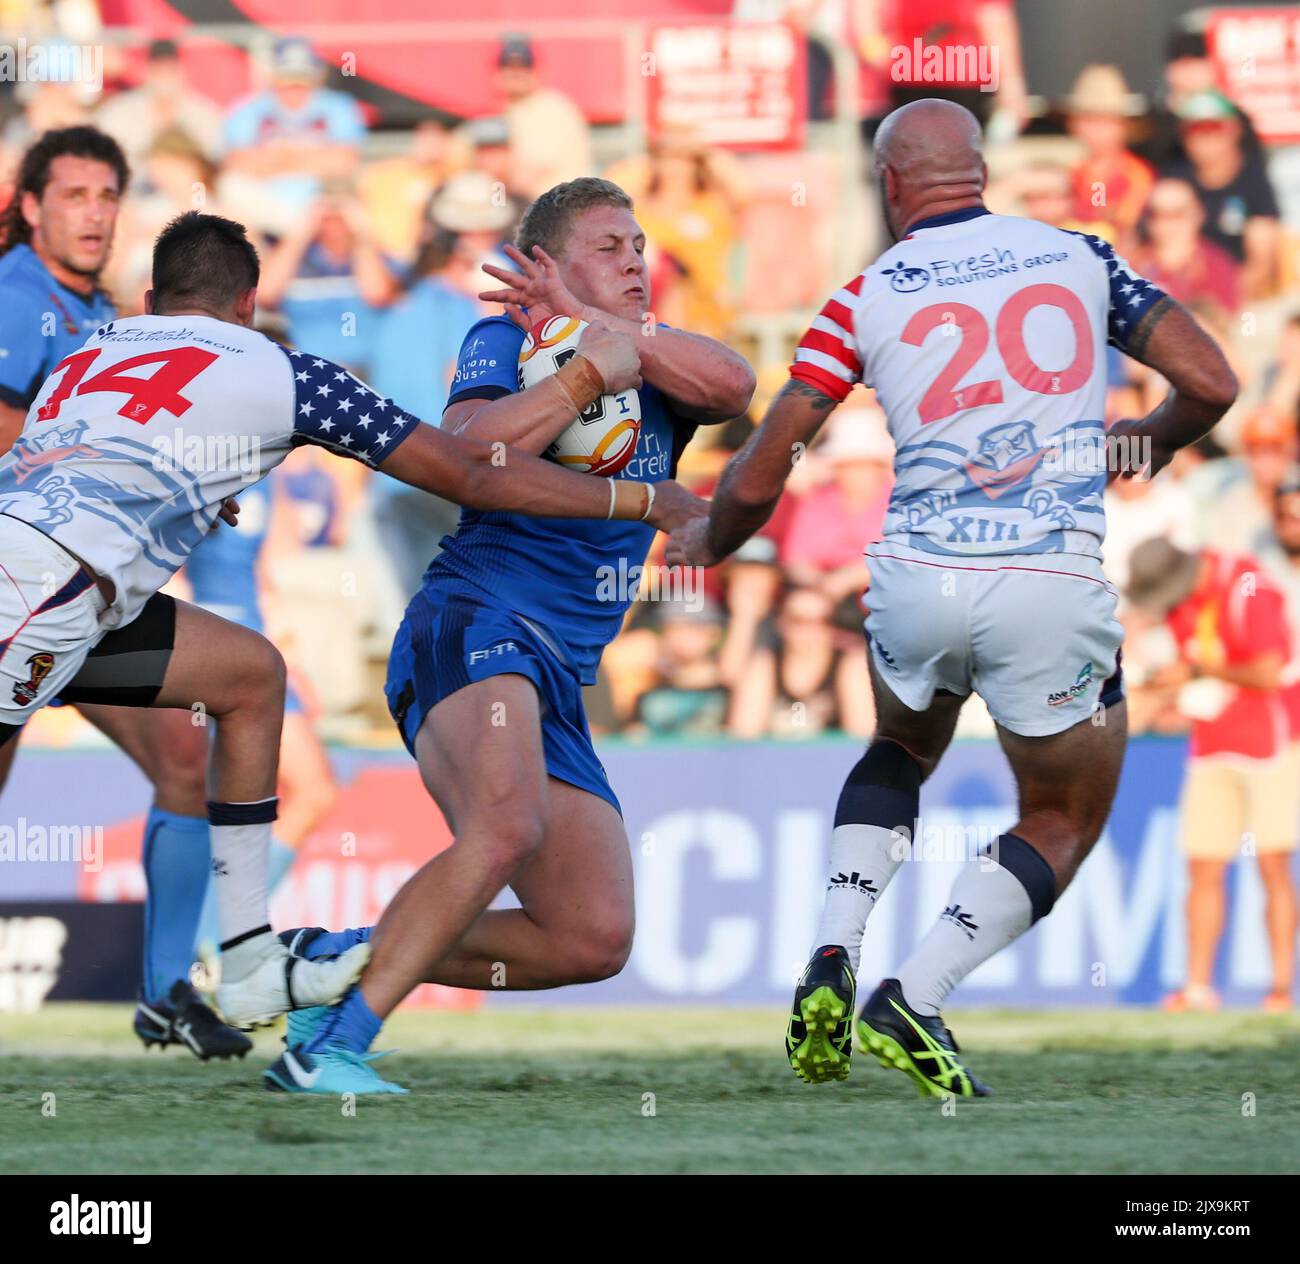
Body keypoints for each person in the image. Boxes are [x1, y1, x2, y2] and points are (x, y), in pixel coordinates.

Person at [0, 208, 702, 1039]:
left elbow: (84, 457)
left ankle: (253, 957)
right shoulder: (287, 372)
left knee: (247, 676)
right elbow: (470, 472)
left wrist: (193, 485)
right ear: (250, 306)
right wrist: (636, 477)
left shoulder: (91, 347)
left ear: (155, 300)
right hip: (45, 595)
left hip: (51, 576)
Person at [668, 99, 1237, 1096]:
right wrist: (1137, 444)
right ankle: (915, 992)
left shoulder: (861, 295)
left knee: (898, 748)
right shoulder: (1077, 256)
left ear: (891, 188)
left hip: (917, 577)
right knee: (1060, 816)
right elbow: (1211, 380)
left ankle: (830, 953)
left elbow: (765, 465)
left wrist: (706, 541)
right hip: (1046, 580)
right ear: (982, 171)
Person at [266, 176, 755, 1096]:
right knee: (504, 827)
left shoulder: (659, 358)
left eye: (639, 247)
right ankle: (328, 1050)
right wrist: (579, 364)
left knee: (590, 936)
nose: (636, 262)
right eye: (610, 249)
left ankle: (325, 957)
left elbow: (735, 384)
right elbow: (471, 462)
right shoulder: (505, 337)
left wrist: (611, 334)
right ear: (545, 263)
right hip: (478, 620)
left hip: (555, 671)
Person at [0, 125, 250, 1059]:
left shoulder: (96, 314)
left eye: (109, 195)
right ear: (30, 207)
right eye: (73, 195)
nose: (96, 212)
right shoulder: (16, 297)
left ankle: (164, 992)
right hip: (18, 586)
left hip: (79, 596)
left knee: (187, 752)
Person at [1125, 539, 1295, 1014]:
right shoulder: (1186, 600)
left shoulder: (1248, 588)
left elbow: (1268, 670)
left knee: (1272, 866)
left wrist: (1200, 671)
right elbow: (1188, 668)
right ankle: (1198, 987)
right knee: (1202, 866)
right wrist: (1153, 688)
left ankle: (1280, 990)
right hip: (1211, 742)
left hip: (1272, 742)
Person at [1162, 89, 1281, 300]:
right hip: (1180, 297)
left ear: (1233, 129)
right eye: (1194, 128)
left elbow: (1261, 263)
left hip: (1235, 299)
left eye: (1213, 127)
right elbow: (1157, 243)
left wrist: (1222, 304)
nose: (1203, 137)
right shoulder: (1174, 178)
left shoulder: (1253, 181)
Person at [492, 34, 592, 200]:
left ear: (536, 71)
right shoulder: (508, 111)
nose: (516, 73)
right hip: (533, 210)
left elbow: (525, 177)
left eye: (524, 66)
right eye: (508, 65)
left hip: (559, 212)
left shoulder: (551, 108)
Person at [1063, 65, 1152, 242]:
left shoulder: (1136, 175)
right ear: (1075, 124)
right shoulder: (1067, 170)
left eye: (1107, 121)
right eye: (1090, 120)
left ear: (1124, 126)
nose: (1097, 131)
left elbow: (1124, 227)